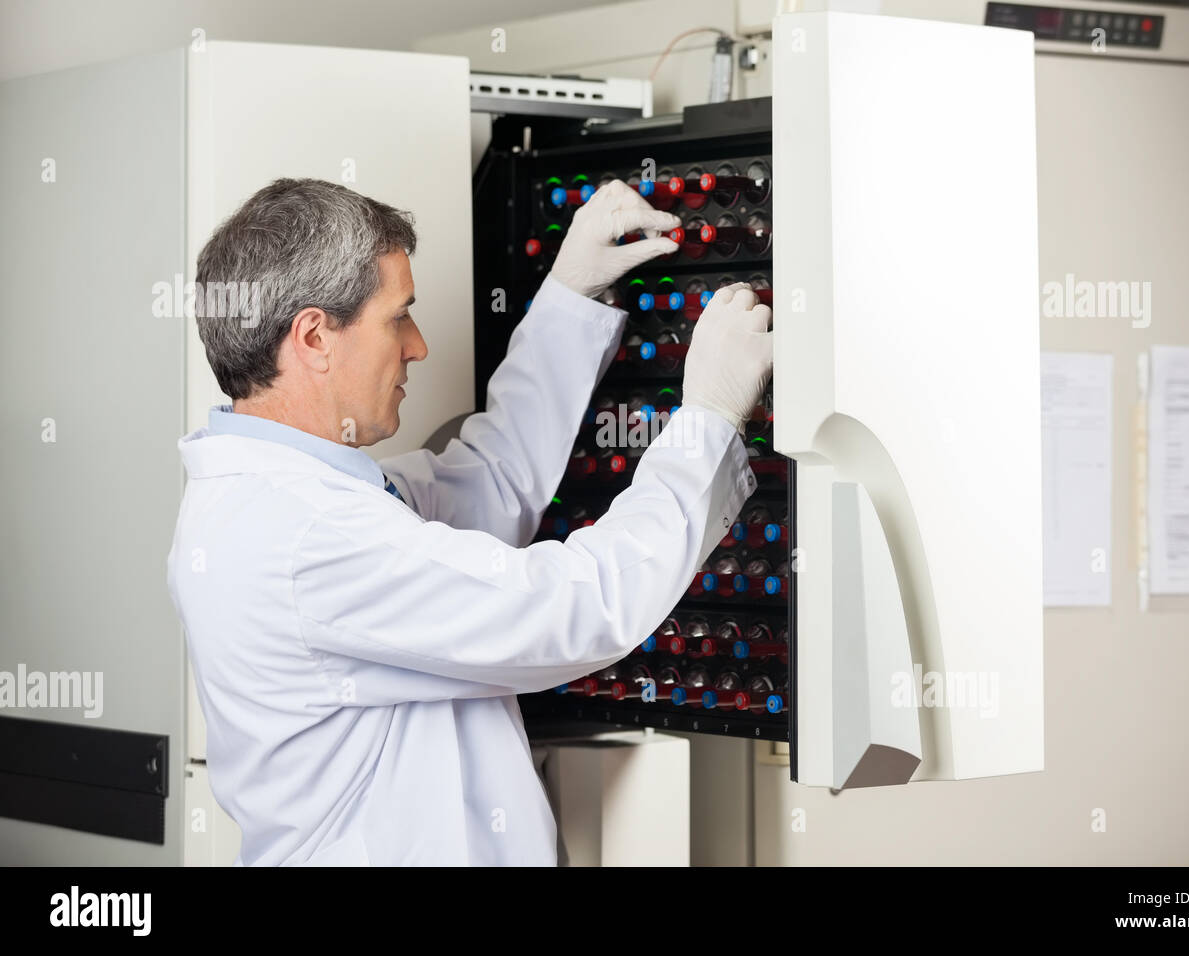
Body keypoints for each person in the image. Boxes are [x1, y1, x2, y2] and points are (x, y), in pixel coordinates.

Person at [167, 176, 773, 865]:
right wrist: (709, 422)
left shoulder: (292, 496)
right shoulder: (305, 536)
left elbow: (487, 485)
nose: (418, 345)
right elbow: (570, 610)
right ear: (314, 337)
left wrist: (569, 299)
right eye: (399, 317)